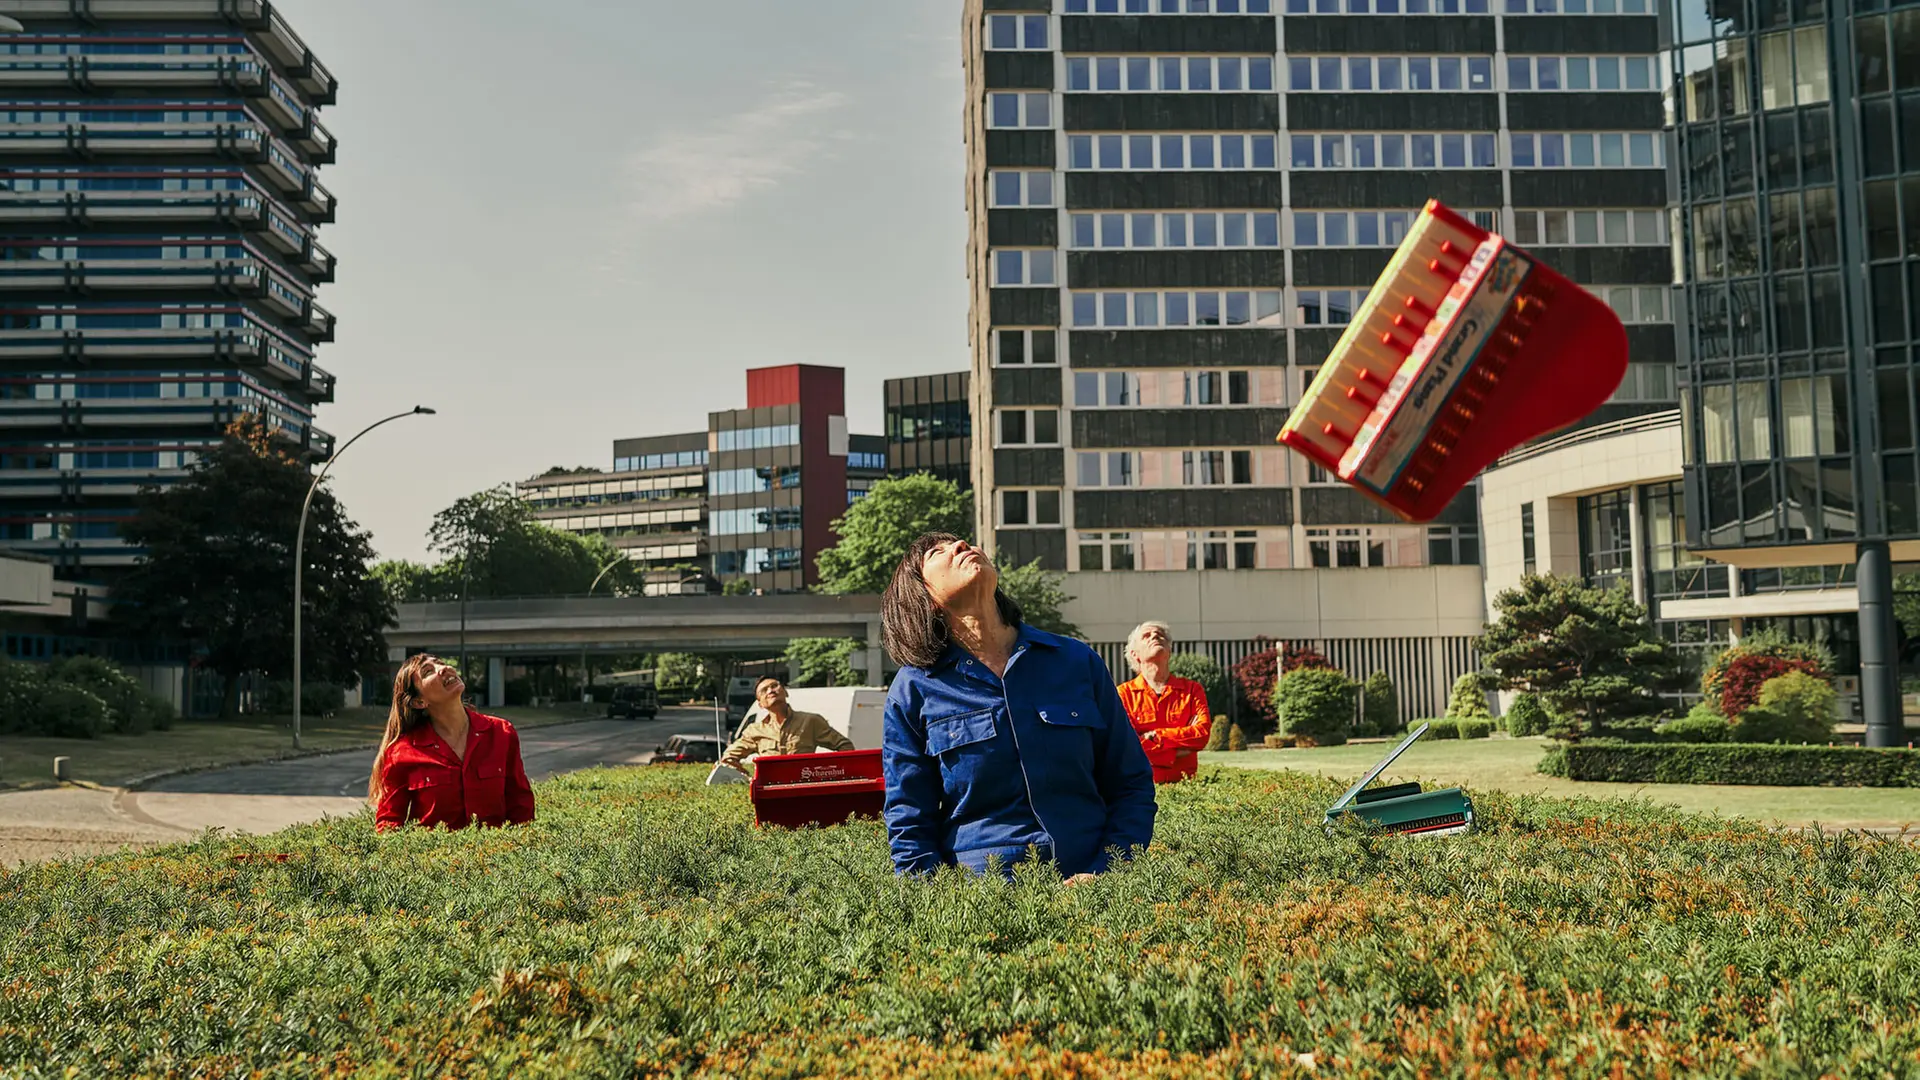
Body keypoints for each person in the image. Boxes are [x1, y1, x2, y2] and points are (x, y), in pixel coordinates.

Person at [880, 533, 1156, 881]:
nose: (961, 546)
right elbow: (909, 819)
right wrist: (940, 910)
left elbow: (1130, 783)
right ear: (925, 598)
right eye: (938, 552)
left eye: (962, 542)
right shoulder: (915, 688)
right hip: (984, 901)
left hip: (1093, 889)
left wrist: (1107, 873)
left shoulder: (1075, 661)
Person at [369, 654, 535, 831]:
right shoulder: (402, 752)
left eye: (440, 663)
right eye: (428, 672)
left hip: (497, 855)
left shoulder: (501, 732)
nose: (443, 668)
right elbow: (389, 823)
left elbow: (520, 805)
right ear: (419, 702)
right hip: (435, 856)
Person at [1116, 621, 1213, 785]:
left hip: (1185, 788)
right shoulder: (1122, 694)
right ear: (1134, 654)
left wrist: (1155, 736)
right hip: (1138, 786)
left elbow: (1202, 735)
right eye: (1147, 636)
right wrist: (1178, 751)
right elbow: (1128, 745)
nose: (1155, 636)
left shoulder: (1191, 690)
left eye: (1160, 635)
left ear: (1169, 651)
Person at [718, 676, 856, 772]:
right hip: (770, 794)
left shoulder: (810, 721)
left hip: (806, 789)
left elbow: (845, 746)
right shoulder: (754, 730)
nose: (771, 690)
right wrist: (749, 778)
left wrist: (827, 773)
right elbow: (727, 758)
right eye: (764, 690)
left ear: (786, 692)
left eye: (775, 686)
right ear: (760, 704)